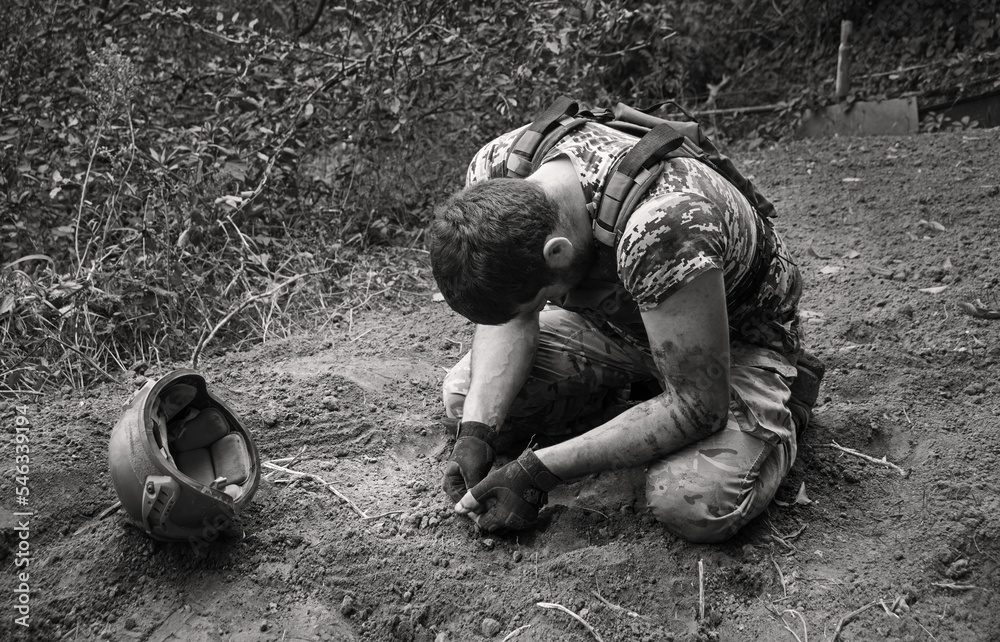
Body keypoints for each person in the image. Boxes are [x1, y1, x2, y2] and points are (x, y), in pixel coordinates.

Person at [428, 111, 824, 544]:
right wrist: (477, 433)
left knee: (693, 500)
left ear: (556, 253)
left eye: (542, 301)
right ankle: (636, 401)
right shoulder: (499, 169)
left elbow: (697, 406)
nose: (540, 309)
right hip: (620, 324)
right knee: (465, 397)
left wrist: (539, 470)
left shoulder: (662, 226)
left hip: (733, 342)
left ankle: (784, 410)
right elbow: (515, 315)